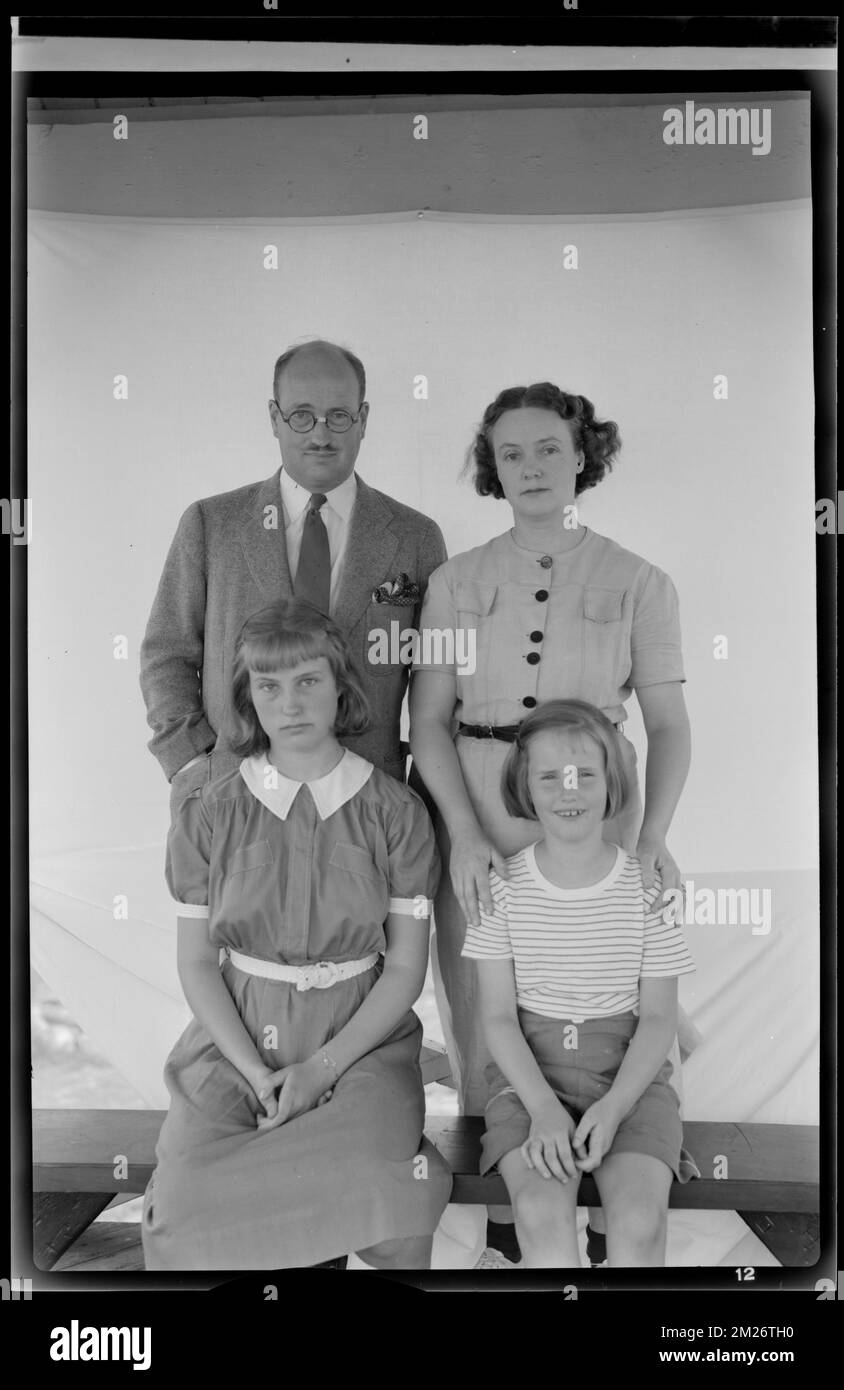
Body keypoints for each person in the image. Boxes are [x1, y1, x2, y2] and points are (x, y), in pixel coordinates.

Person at [409, 381, 696, 1258]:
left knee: (613, 985)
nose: (530, 466)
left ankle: (618, 1172)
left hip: (593, 803)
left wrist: (646, 843)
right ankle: (519, 1212)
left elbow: (670, 724)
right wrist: (462, 832)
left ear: (583, 454)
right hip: (480, 798)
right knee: (481, 1008)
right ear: (492, 470)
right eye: (510, 453)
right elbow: (426, 721)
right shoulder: (456, 581)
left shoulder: (641, 580)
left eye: (547, 448)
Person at [141, 600, 451, 1270]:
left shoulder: (396, 812)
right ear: (248, 698)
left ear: (341, 687)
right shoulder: (209, 810)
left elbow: (404, 970)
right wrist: (256, 1070)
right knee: (189, 1195)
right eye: (269, 685)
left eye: (308, 681)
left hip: (359, 1042)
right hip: (238, 1038)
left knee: (381, 1187)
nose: (290, 703)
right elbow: (197, 963)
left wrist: (322, 1069)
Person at [140, 338, 447, 820]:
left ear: (363, 419)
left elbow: (436, 679)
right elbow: (167, 652)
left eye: (338, 415)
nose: (320, 433)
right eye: (301, 415)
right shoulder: (212, 524)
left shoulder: (416, 537)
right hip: (232, 801)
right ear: (274, 418)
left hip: (370, 810)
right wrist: (191, 765)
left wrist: (416, 797)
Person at [462, 700, 696, 1268]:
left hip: (629, 1081)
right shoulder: (501, 891)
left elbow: (661, 1018)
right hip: (530, 1081)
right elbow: (496, 1018)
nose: (569, 791)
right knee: (541, 1214)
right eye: (550, 777)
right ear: (525, 786)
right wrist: (543, 1109)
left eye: (585, 774)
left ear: (611, 782)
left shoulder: (649, 889)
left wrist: (615, 1107)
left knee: (640, 1220)